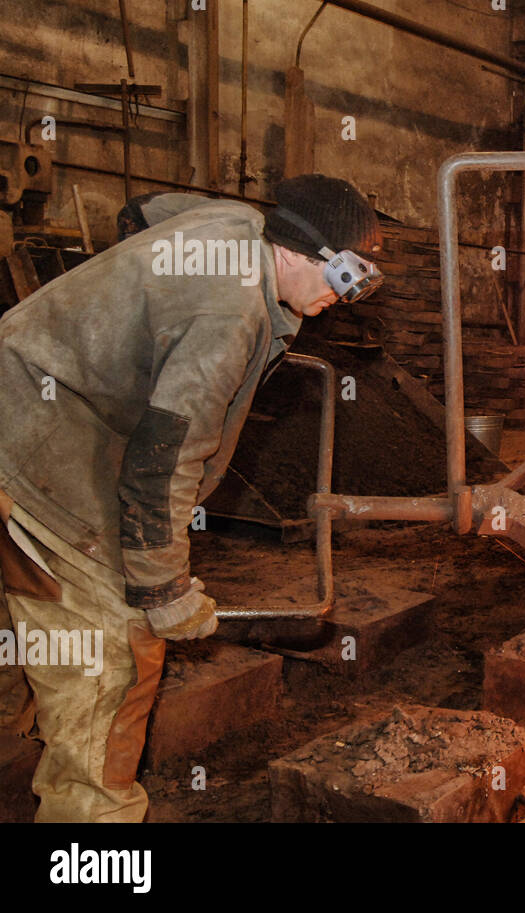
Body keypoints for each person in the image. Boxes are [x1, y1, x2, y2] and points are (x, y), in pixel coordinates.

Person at [0, 174, 382, 821]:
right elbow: (166, 456)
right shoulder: (228, 313)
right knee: (115, 666)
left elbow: (141, 212)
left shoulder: (232, 224)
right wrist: (163, 590)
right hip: (50, 461)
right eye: (342, 277)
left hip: (22, 407)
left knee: (38, 627)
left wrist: (135, 323)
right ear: (293, 249)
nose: (339, 300)